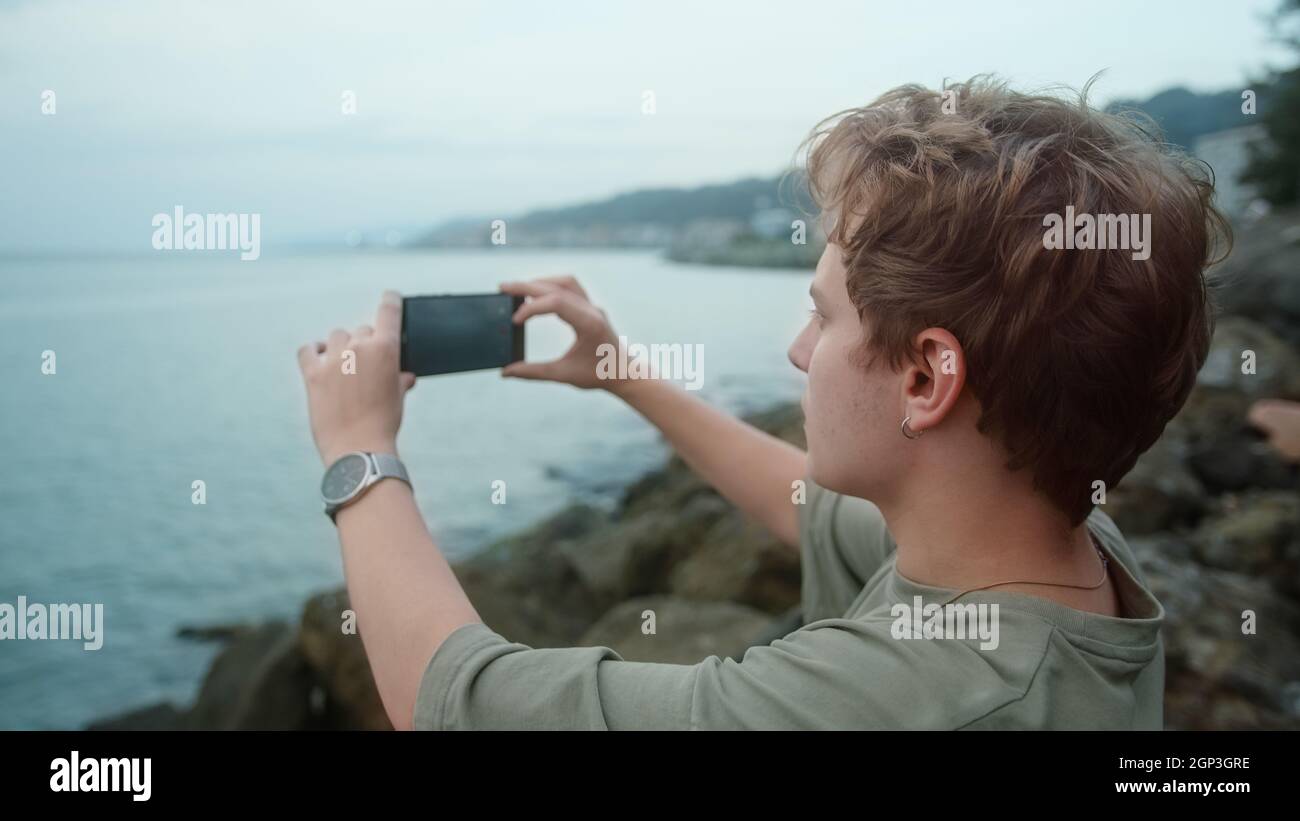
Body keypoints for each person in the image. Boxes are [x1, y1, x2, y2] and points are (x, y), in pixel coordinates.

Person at [296, 76, 1230, 730]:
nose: (796, 350)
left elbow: (451, 701)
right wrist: (626, 371)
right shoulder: (1059, 544)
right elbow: (809, 509)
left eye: (821, 316)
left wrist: (360, 448)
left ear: (926, 378)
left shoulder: (891, 701)